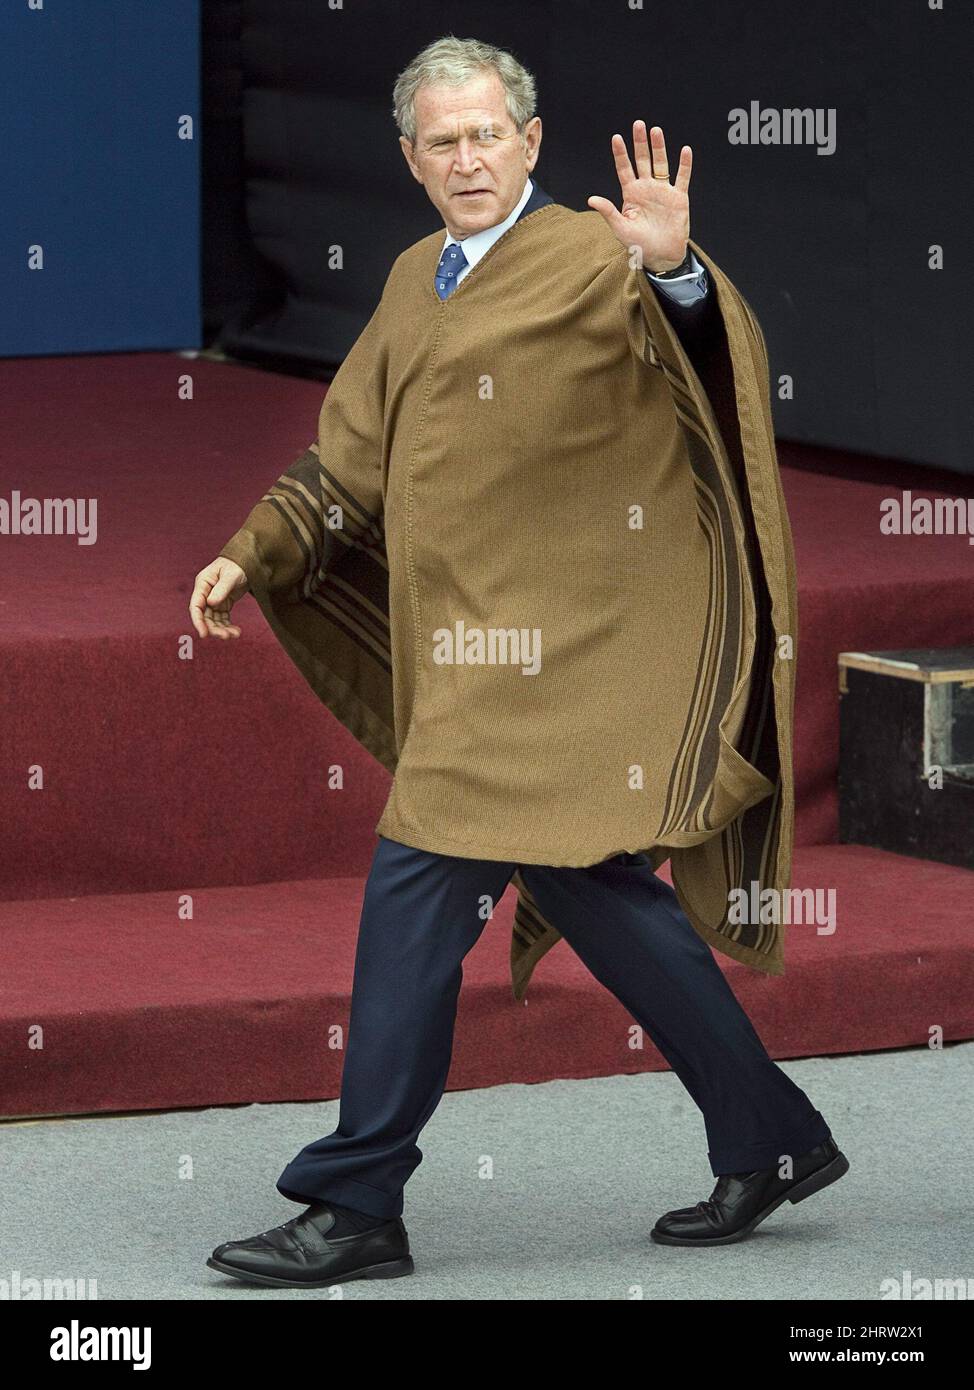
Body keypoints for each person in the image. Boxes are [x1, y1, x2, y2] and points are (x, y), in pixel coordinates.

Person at [190, 36, 847, 1290]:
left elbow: (712, 375)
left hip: (570, 656)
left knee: (412, 889)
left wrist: (677, 273)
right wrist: (257, 546)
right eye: (442, 140)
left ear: (531, 143)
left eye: (488, 133)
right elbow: (350, 460)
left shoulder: (601, 258)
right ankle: (771, 1135)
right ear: (409, 161)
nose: (467, 157)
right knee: (601, 887)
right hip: (469, 656)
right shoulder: (410, 278)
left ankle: (355, 1199)